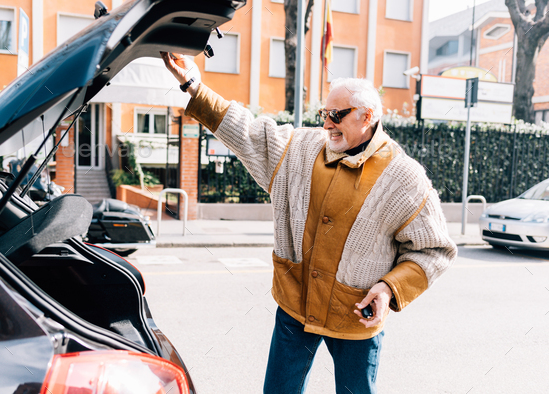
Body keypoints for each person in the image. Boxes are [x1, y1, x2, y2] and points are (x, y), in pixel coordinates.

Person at [161, 52, 457, 394]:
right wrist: (193, 85)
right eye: (324, 114)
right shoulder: (301, 147)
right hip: (295, 305)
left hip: (355, 315)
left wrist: (390, 288)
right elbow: (248, 133)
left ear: (367, 116)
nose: (327, 123)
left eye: (337, 115)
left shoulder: (405, 177)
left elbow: (434, 250)